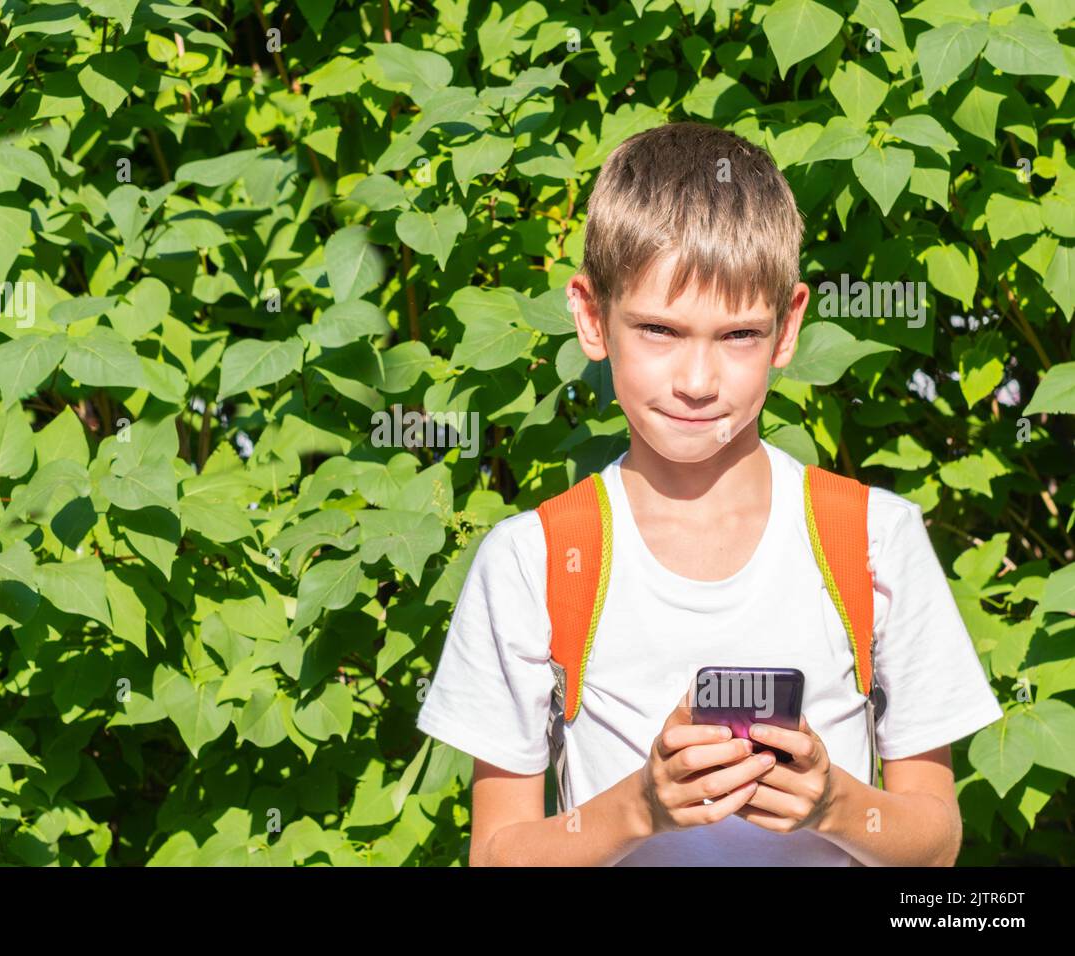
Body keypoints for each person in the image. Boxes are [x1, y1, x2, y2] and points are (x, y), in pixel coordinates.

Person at [414, 121, 1004, 867]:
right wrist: (641, 807)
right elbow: (497, 855)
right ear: (592, 317)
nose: (696, 382)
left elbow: (937, 843)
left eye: (738, 336)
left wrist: (836, 804)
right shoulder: (533, 560)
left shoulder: (872, 536)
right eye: (660, 330)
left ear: (788, 327)